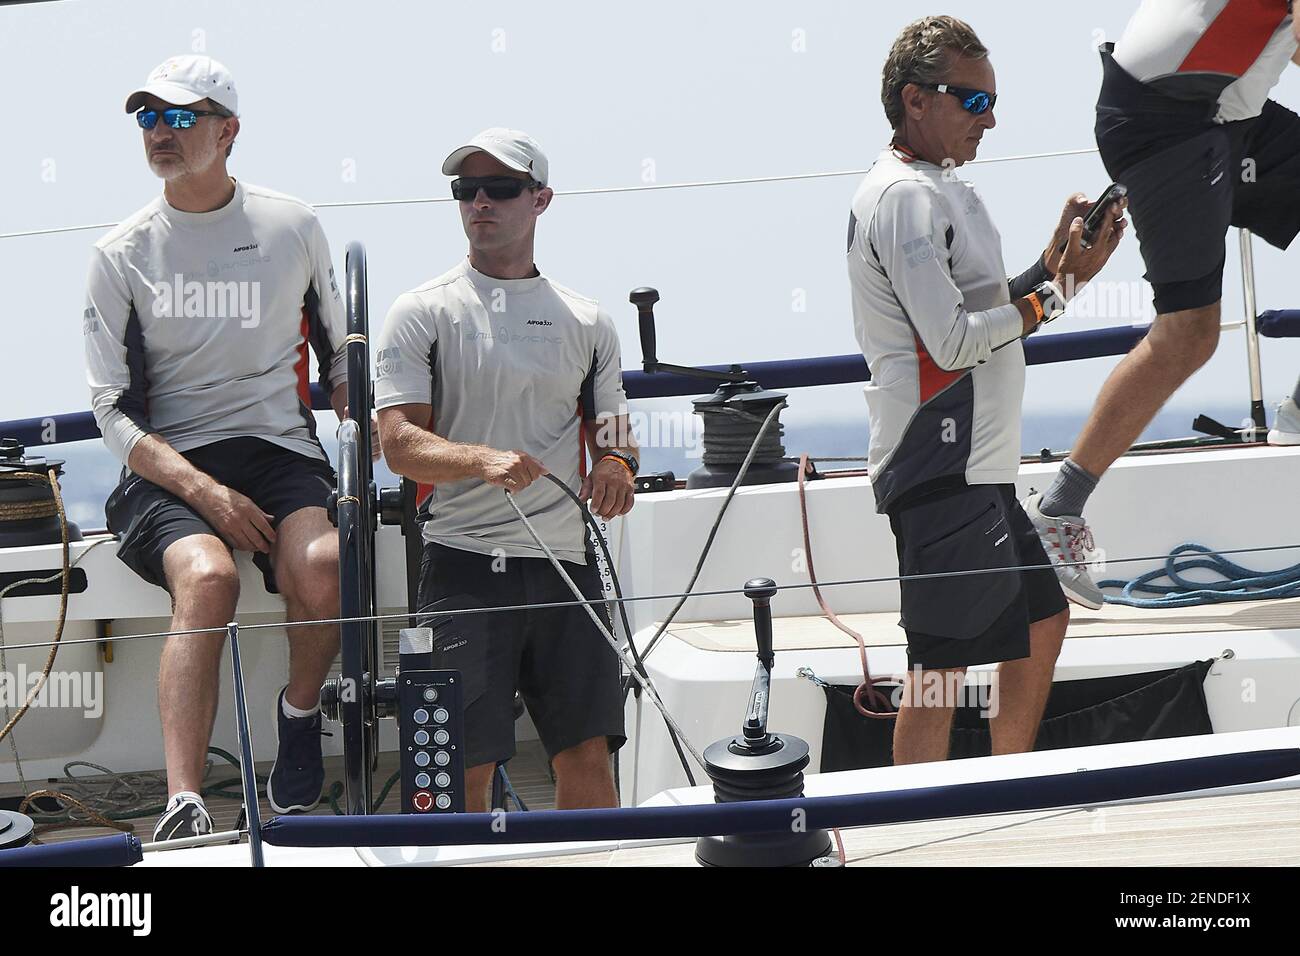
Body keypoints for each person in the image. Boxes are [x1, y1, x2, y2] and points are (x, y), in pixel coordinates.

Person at [83, 56, 366, 839]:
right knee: (208, 578)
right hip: (169, 466)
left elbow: (342, 357)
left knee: (322, 565)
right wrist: (207, 494)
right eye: (149, 119)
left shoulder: (293, 225)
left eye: (180, 117)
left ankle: (300, 715)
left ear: (228, 130)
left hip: (280, 449)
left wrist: (373, 416)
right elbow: (110, 409)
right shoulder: (120, 253)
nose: (161, 134)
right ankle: (184, 801)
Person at [847, 17, 1126, 764]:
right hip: (941, 470)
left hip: (978, 471)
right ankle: (919, 828)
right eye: (974, 103)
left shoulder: (937, 190)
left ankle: (1008, 787)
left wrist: (1051, 267)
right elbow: (953, 343)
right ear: (916, 100)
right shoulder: (904, 198)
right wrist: (1059, 294)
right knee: (937, 672)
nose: (991, 119)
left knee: (1043, 622)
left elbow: (980, 309)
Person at [375, 129, 639, 810]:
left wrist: (616, 463)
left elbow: (612, 432)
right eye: (467, 190)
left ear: (541, 200)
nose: (480, 203)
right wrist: (479, 460)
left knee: (586, 758)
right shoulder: (421, 310)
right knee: (458, 771)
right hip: (462, 565)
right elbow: (398, 443)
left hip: (564, 565)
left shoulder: (588, 321)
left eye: (501, 189)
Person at [1026, 1, 1300, 608]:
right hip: (1171, 123)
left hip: (1210, 111)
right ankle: (1055, 511)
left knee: (1190, 332)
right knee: (1189, 333)